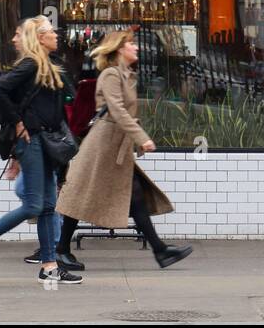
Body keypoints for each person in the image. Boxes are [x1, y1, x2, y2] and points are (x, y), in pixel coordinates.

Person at [57, 29, 191, 268]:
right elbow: (117, 110)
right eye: (131, 44)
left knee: (135, 196)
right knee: (81, 195)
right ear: (119, 49)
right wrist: (141, 137)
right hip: (102, 144)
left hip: (114, 144)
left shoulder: (126, 74)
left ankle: (160, 251)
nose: (136, 47)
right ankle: (61, 250)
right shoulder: (110, 74)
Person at [0, 16, 81, 285]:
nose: (56, 35)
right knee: (34, 205)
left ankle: (49, 266)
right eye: (51, 32)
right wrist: (17, 123)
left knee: (49, 206)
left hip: (46, 142)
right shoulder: (30, 64)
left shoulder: (47, 66)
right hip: (33, 142)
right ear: (40, 37)